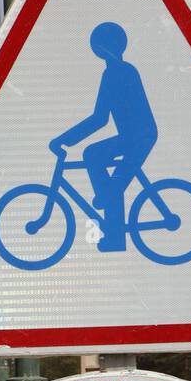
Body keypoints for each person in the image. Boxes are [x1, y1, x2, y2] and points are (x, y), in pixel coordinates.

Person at [49, 22, 158, 251]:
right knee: (107, 178)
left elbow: (99, 118)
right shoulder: (117, 71)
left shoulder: (119, 72)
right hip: (133, 136)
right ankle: (113, 233)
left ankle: (108, 211)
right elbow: (101, 117)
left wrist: (64, 140)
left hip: (139, 137)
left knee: (98, 163)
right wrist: (66, 138)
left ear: (99, 48)